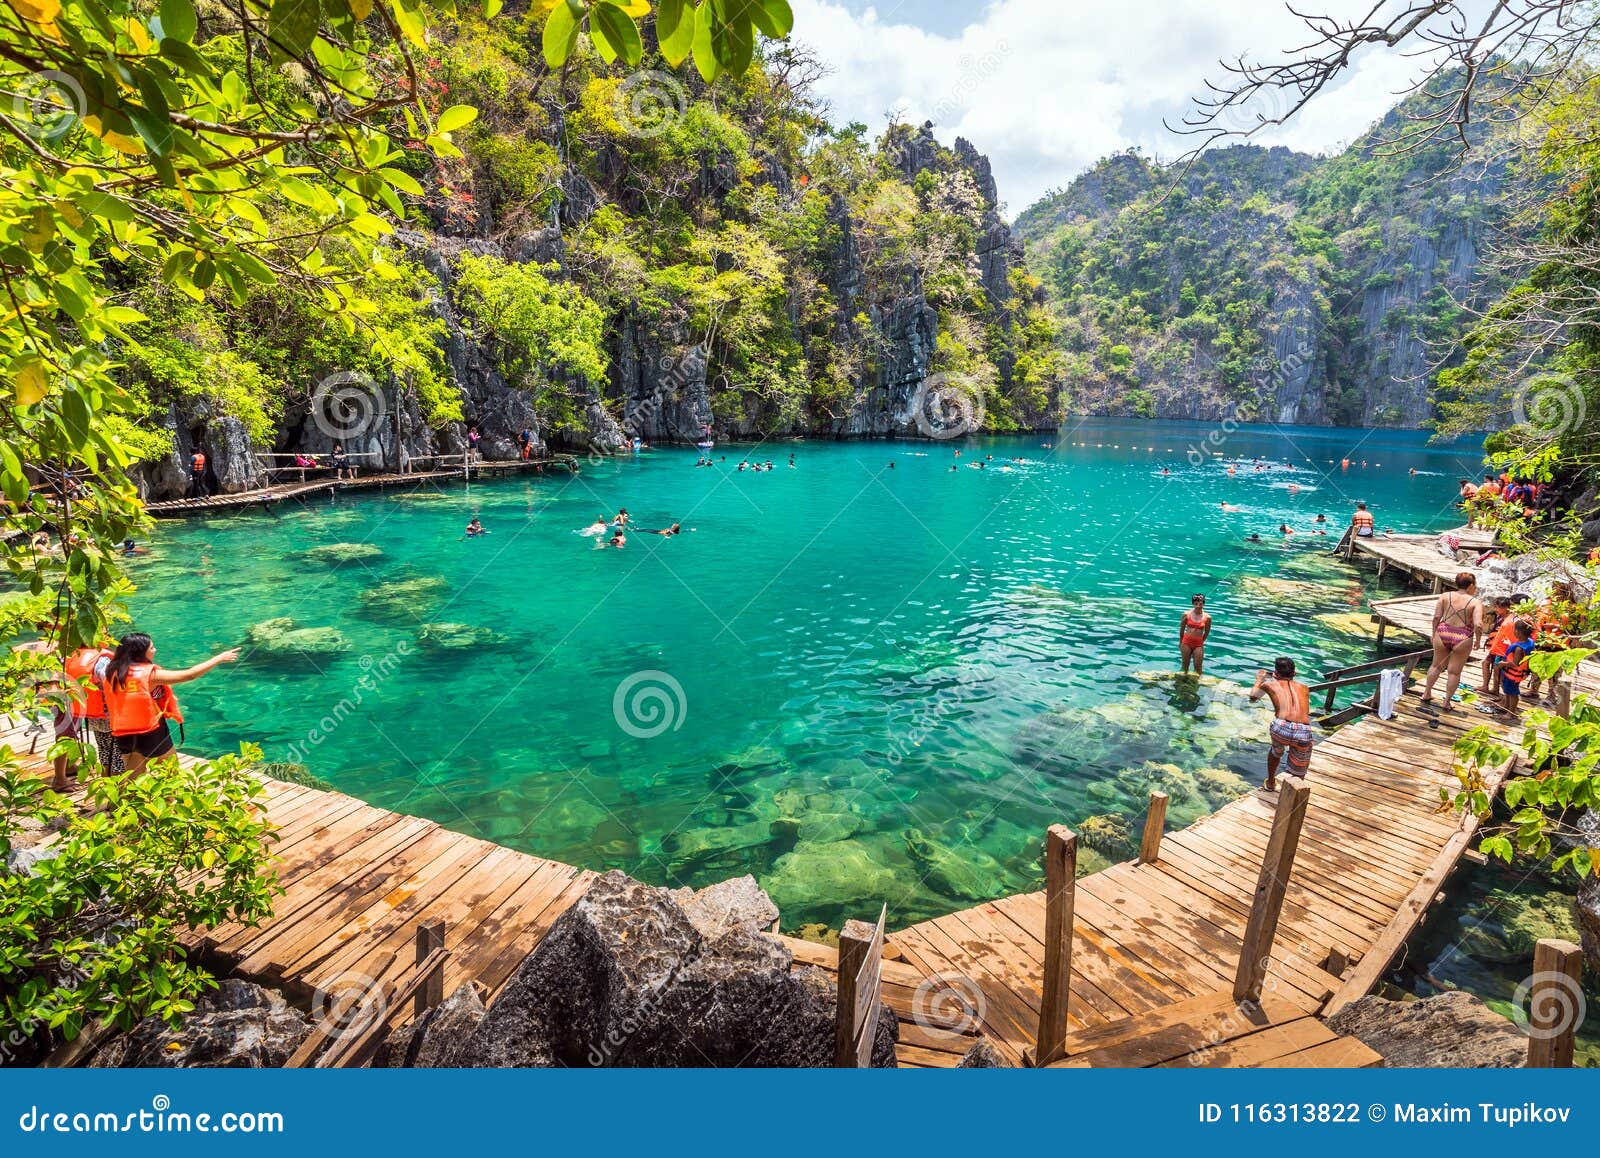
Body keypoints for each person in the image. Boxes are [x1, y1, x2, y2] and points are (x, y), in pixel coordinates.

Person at [102, 634, 238, 776]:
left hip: (123, 734)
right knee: (170, 773)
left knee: (134, 776)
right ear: (140, 652)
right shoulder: (151, 675)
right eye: (152, 647)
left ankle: (129, 798)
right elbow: (189, 675)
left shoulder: (111, 672)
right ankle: (170, 799)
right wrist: (219, 658)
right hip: (151, 732)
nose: (155, 650)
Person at [1417, 572, 1482, 715]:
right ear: (1470, 585)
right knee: (1454, 671)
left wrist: (1433, 633)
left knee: (1436, 665)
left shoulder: (1445, 596)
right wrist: (1477, 640)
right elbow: (1478, 624)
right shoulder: (1475, 602)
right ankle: (1446, 702)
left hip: (1443, 632)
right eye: (1475, 585)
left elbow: (1436, 617)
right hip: (1463, 636)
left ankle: (1426, 693)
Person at [1250, 658, 1314, 790]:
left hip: (1281, 727)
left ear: (1275, 673)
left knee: (1275, 751)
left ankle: (1271, 782)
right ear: (1294, 673)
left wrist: (1259, 679)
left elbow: (1253, 697)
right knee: (1299, 767)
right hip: (1303, 730)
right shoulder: (1304, 688)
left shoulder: (1269, 685)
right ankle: (1295, 788)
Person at [1499, 620, 1538, 718]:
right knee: (1508, 690)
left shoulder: (1519, 649)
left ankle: (1511, 713)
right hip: (1520, 673)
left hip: (1513, 674)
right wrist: (1509, 644)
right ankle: (1506, 706)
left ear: (1517, 632)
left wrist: (1503, 664)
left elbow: (1515, 663)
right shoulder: (1529, 642)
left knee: (1513, 693)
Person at [1478, 596, 1515, 696]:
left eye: (1498, 607)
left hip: (1503, 649)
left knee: (1498, 668)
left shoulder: (1510, 619)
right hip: (1495, 647)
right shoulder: (1499, 617)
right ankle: (1486, 686)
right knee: (1486, 663)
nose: (1496, 609)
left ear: (1506, 608)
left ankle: (1499, 691)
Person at [1178, 594, 1212, 676]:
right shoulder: (1186, 614)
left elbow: (1207, 632)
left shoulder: (1208, 617)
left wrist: (1201, 643)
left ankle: (1198, 684)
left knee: (1198, 667)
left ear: (1203, 604)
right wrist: (1180, 642)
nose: (1198, 606)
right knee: (1185, 665)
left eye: (1200, 604)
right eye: (1196, 604)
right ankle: (1183, 681)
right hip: (1186, 642)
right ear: (1193, 604)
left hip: (1198, 644)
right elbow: (1181, 629)